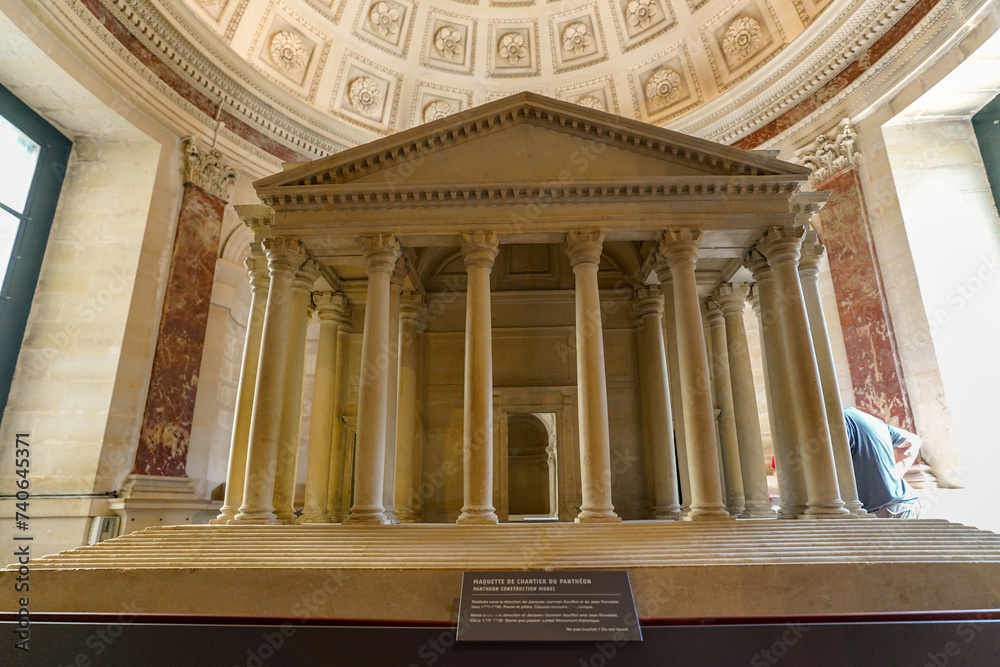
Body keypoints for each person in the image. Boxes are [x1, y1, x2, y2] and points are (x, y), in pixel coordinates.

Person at [843, 406, 922, 518]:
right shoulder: (862, 418)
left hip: (884, 513)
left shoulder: (840, 424)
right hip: (906, 506)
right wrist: (894, 476)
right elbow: (913, 441)